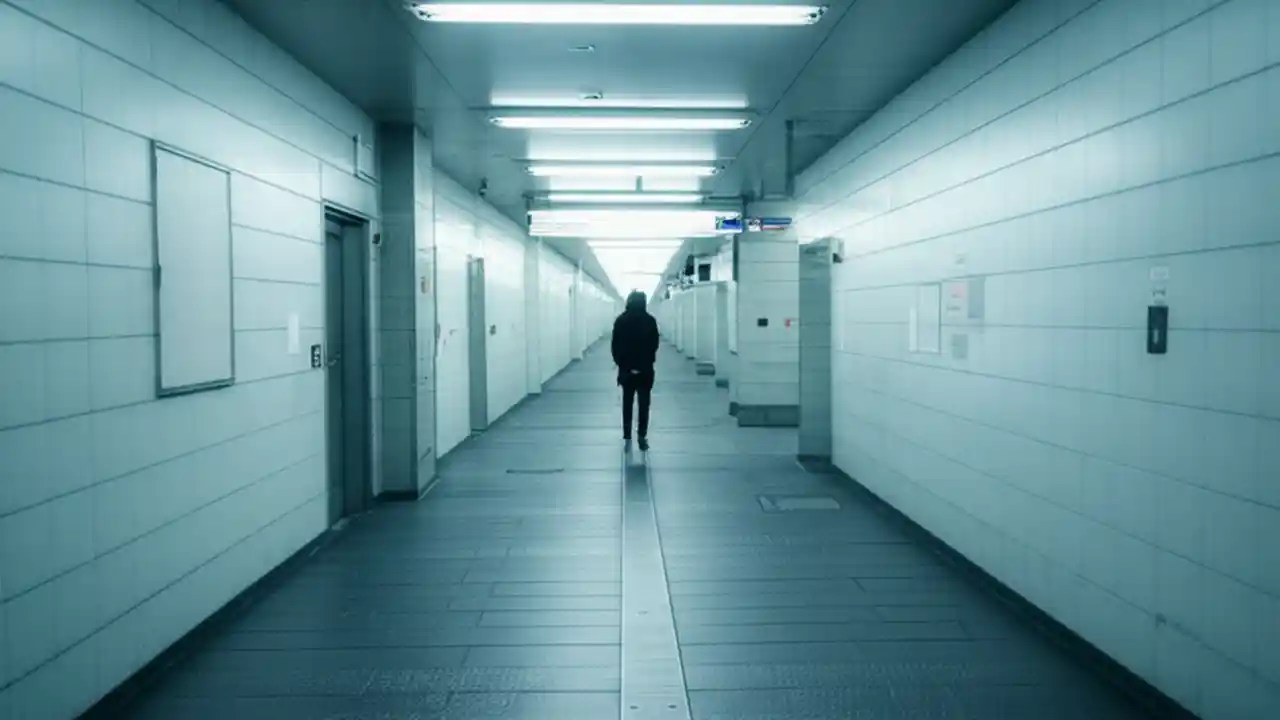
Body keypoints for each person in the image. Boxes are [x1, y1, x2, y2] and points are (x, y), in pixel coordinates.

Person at [611, 290, 660, 451]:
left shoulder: (621, 321)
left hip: (626, 370)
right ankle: (642, 435)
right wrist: (646, 361)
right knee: (644, 403)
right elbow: (654, 345)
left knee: (627, 402)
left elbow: (615, 346)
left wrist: (623, 364)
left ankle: (627, 434)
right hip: (645, 370)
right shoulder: (650, 321)